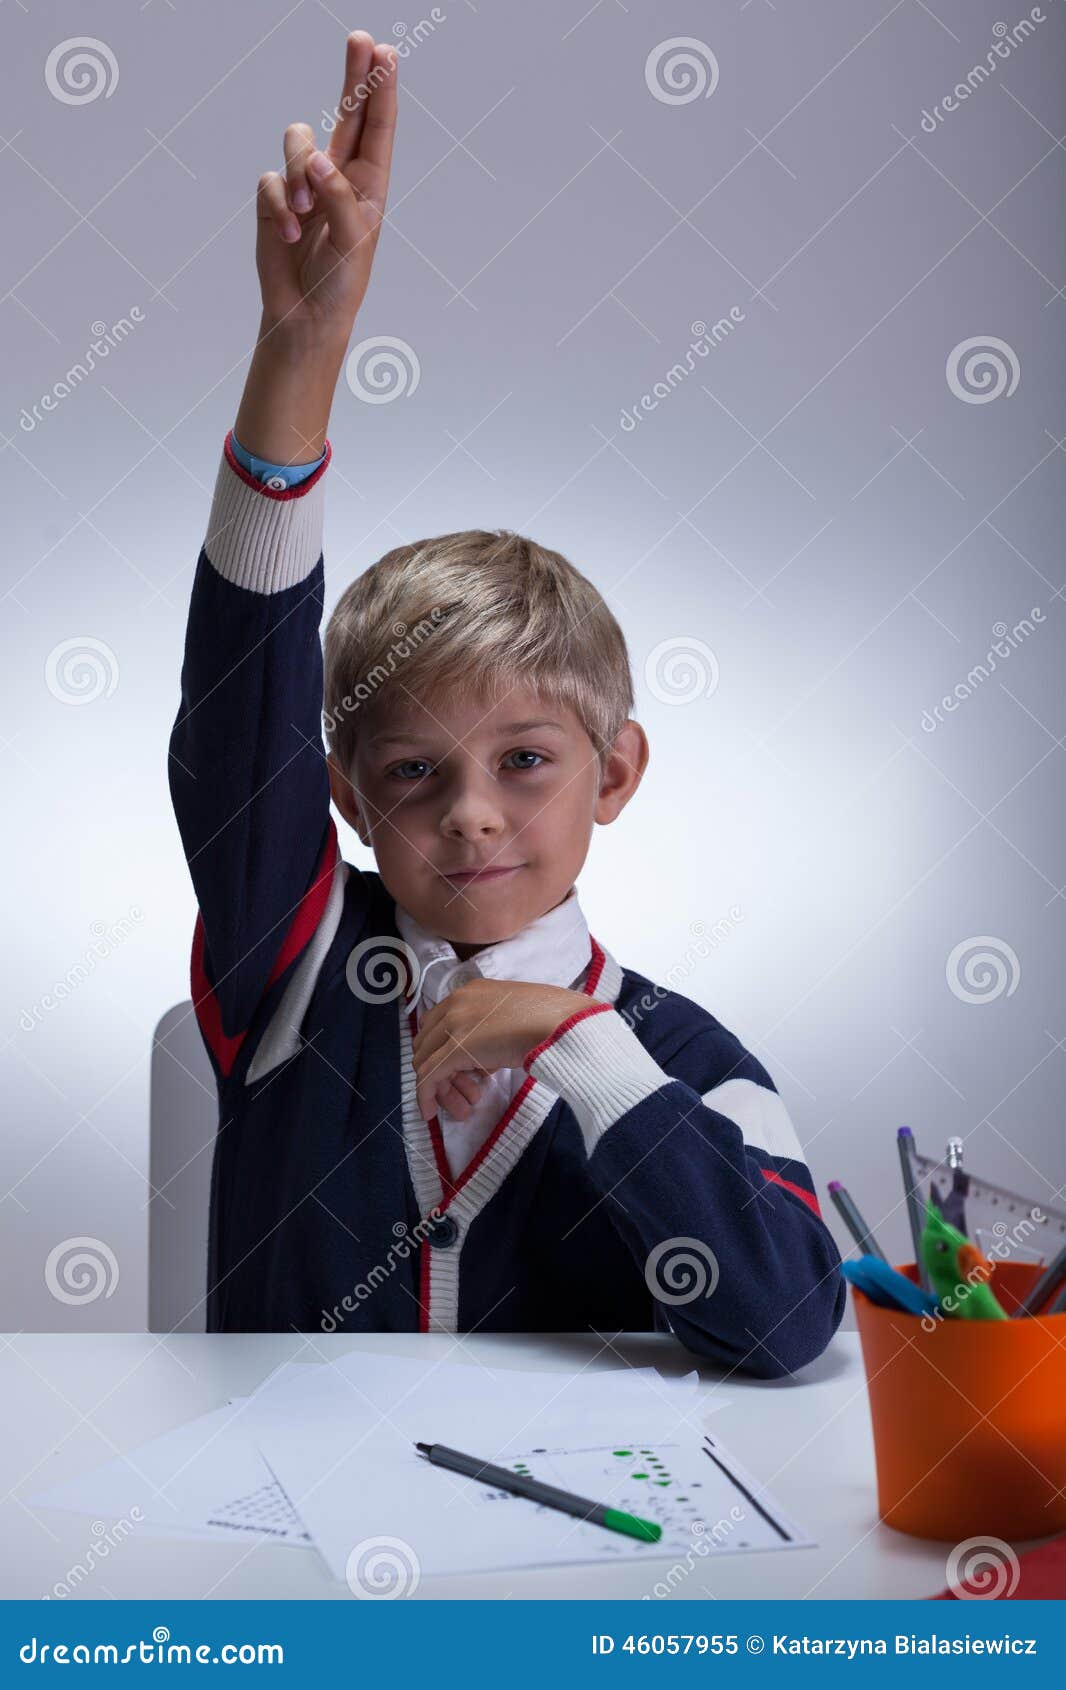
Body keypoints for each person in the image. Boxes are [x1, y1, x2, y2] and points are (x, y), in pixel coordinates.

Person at [168, 30, 844, 1370]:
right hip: (275, 1559)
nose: (470, 816)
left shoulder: (684, 1062)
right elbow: (240, 707)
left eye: (525, 759)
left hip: (567, 1572)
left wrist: (578, 1044)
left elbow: (782, 1321)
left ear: (616, 768)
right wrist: (298, 350)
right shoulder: (295, 958)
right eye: (412, 772)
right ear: (347, 798)